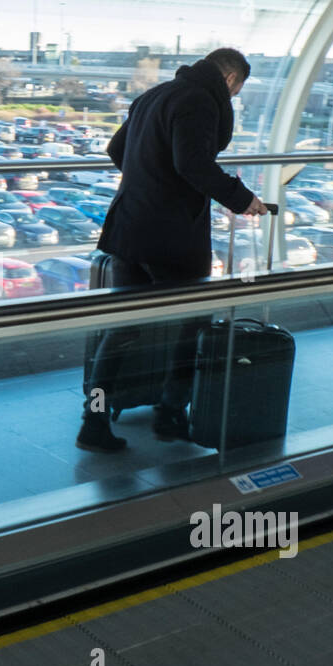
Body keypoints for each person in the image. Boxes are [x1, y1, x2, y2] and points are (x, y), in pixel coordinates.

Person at [78, 47, 269, 452]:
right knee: (193, 322)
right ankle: (170, 412)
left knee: (123, 329)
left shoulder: (154, 95)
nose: (232, 100)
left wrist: (148, 179)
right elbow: (193, 165)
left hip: (129, 225)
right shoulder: (200, 101)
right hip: (170, 235)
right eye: (236, 93)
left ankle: (93, 421)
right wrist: (242, 199)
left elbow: (117, 151)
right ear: (232, 80)